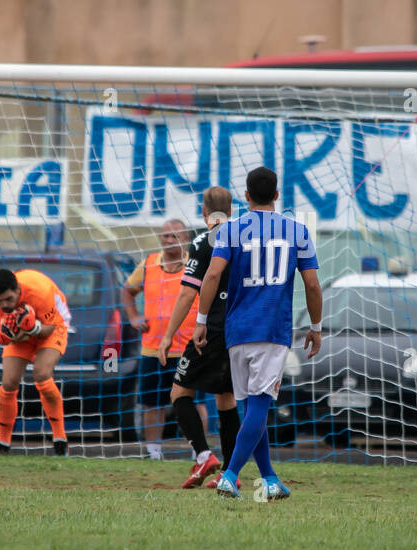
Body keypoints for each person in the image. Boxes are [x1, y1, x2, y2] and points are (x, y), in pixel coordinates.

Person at [192, 167, 322, 500]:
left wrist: (202, 320)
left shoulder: (230, 230)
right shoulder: (298, 231)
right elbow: (311, 284)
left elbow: (211, 276)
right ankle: (230, 476)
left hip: (237, 330)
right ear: (277, 195)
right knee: (260, 406)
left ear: (246, 196)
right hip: (272, 329)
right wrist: (316, 327)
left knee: (252, 406)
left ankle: (270, 479)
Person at [156, 186, 241, 489]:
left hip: (213, 330)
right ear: (231, 210)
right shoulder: (245, 238)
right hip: (240, 330)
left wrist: (167, 336)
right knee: (226, 398)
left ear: (204, 212)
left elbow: (187, 293)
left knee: (179, 394)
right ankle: (231, 473)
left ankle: (204, 455)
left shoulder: (203, 241)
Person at [122, 219, 202, 460]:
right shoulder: (148, 264)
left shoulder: (196, 264)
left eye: (174, 236)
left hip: (188, 348)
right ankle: (153, 451)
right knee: (151, 402)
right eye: (165, 236)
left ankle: (199, 451)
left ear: (186, 239)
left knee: (193, 402)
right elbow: (127, 290)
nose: (169, 240)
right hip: (153, 348)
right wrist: (134, 317)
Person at [0, 267, 72, 456]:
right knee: (8, 382)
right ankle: (3, 443)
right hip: (26, 332)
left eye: (9, 299)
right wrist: (11, 333)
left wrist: (32, 326)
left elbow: (48, 328)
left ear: (18, 290)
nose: (4, 305)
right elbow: (10, 335)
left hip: (50, 326)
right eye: (0, 301)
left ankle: (60, 440)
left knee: (42, 374)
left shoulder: (40, 291)